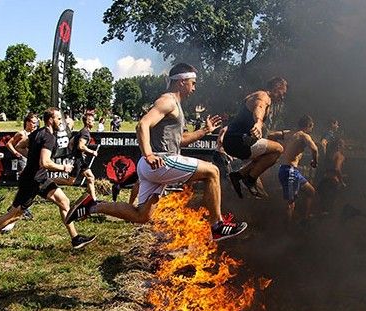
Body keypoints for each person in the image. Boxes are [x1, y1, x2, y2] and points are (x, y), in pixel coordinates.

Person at [65, 63, 248, 241]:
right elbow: (142, 124)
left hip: (151, 167)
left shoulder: (175, 105)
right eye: (193, 83)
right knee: (212, 171)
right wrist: (149, 154)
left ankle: (92, 206)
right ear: (181, 82)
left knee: (141, 216)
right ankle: (217, 226)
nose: (194, 88)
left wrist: (204, 131)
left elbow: (179, 140)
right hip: (161, 161)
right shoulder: (168, 101)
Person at [0, 107, 96, 252]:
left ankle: (75, 239)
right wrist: (63, 168)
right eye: (58, 119)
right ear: (50, 120)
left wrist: (32, 157)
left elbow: (19, 146)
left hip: (40, 178)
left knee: (64, 201)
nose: (60, 122)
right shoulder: (48, 137)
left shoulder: (38, 133)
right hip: (31, 181)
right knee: (14, 215)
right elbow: (45, 163)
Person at [221, 77, 287, 199]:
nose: (282, 97)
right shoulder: (263, 96)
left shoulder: (260, 96)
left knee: (271, 156)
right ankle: (249, 179)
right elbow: (259, 108)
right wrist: (258, 122)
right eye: (282, 93)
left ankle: (238, 176)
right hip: (238, 141)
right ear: (276, 87)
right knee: (278, 149)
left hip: (235, 141)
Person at [277, 115, 319, 223]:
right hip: (289, 170)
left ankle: (305, 218)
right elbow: (314, 149)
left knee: (311, 192)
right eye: (312, 127)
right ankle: (287, 230)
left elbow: (271, 135)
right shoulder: (304, 136)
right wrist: (314, 162)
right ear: (309, 125)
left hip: (289, 170)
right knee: (290, 204)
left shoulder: (290, 133)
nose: (312, 129)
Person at [317, 119, 346, 213]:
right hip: (332, 178)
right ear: (332, 124)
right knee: (330, 201)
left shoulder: (332, 137)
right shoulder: (329, 134)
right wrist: (324, 155)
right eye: (337, 124)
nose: (338, 126)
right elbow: (323, 143)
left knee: (324, 199)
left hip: (326, 173)